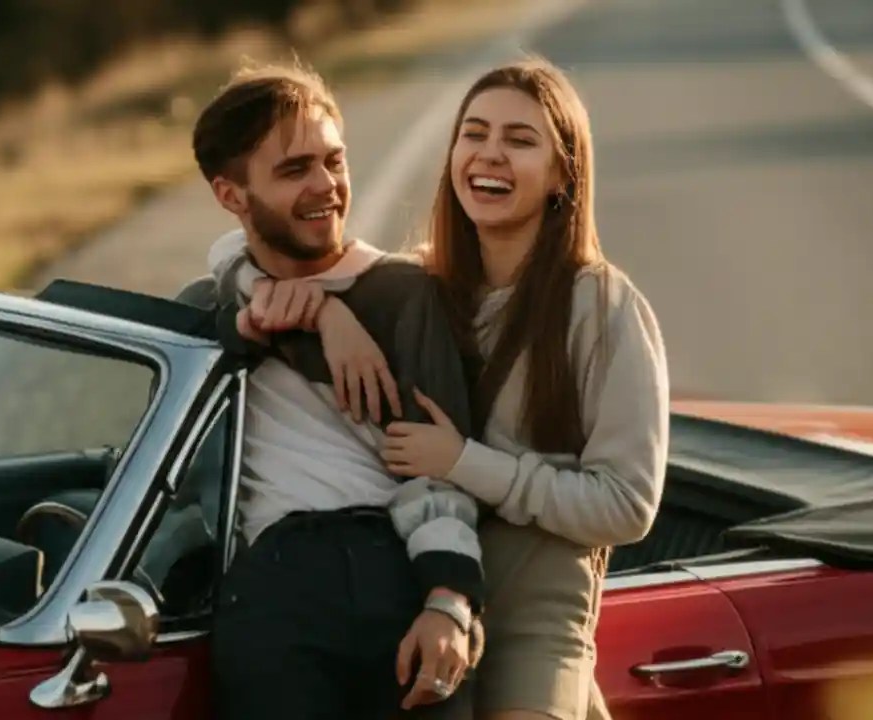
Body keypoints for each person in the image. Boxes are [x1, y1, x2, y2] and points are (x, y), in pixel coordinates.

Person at [228, 57, 671, 720]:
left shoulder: (602, 305)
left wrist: (464, 462)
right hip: (421, 589)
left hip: (535, 602)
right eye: (474, 133)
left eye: (520, 140)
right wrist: (325, 311)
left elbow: (627, 505)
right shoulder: (421, 286)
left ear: (563, 174)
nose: (489, 154)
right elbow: (245, 261)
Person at [176, 62, 488, 720]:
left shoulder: (403, 293)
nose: (326, 185)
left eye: (334, 160)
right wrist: (317, 310)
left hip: (394, 566)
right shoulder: (212, 308)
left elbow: (440, 468)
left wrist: (449, 601)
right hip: (274, 587)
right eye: (295, 170)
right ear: (232, 195)